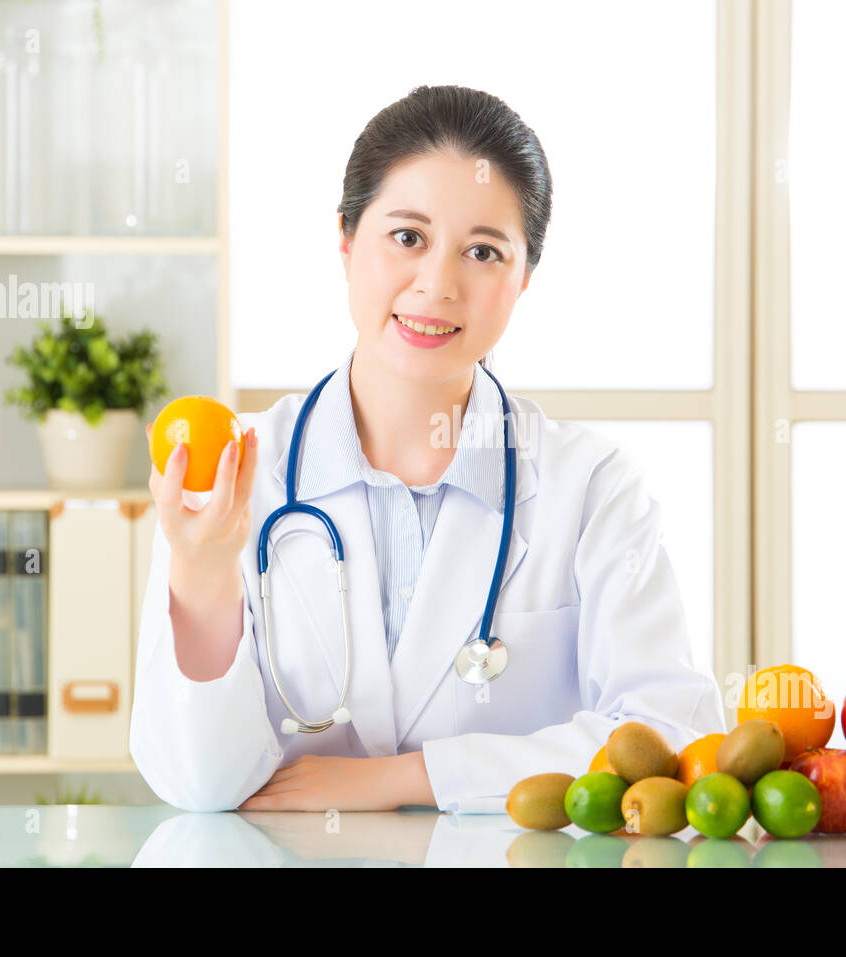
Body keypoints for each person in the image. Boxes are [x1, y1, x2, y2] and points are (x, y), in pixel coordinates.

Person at [130, 84, 724, 813]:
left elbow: (674, 735)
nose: (438, 285)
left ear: (525, 276)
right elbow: (200, 786)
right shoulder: (238, 471)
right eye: (407, 237)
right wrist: (201, 567)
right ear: (346, 240)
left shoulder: (593, 488)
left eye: (482, 251)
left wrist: (411, 776)